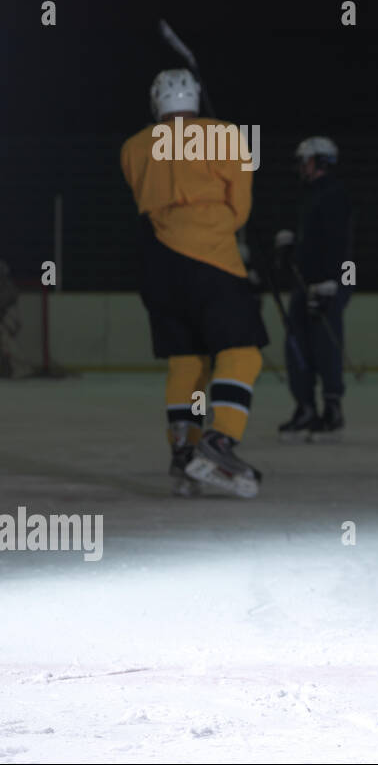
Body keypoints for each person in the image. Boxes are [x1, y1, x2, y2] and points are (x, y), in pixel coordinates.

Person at [120, 69, 266, 497]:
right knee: (242, 353)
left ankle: (183, 451)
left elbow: (142, 194)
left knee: (186, 360)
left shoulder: (132, 147)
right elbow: (240, 207)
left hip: (156, 262)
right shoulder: (226, 136)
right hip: (211, 260)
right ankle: (219, 441)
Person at [276, 137, 353, 441]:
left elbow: (339, 242)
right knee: (296, 345)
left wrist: (332, 283)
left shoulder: (335, 194)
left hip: (328, 283)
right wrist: (289, 245)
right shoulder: (309, 195)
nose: (300, 167)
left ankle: (332, 410)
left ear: (320, 162)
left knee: (325, 344)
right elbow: (311, 240)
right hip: (305, 282)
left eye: (304, 161)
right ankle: (305, 407)